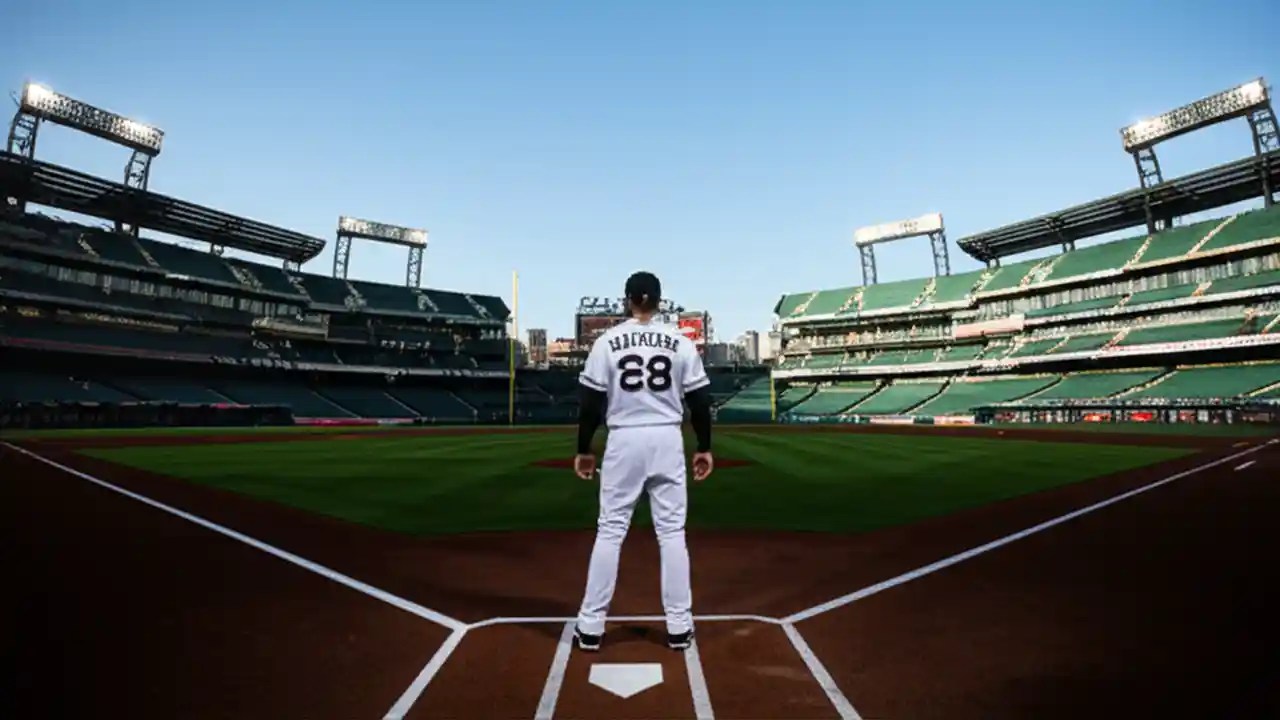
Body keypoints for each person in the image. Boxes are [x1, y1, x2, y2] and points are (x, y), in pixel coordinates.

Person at [572, 270, 714, 652]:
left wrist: (584, 449)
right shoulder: (679, 341)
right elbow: (700, 401)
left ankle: (590, 627)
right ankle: (680, 627)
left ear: (627, 300)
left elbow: (589, 403)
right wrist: (704, 446)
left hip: (624, 438)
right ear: (660, 301)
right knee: (671, 534)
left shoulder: (607, 340)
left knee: (610, 530)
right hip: (667, 437)